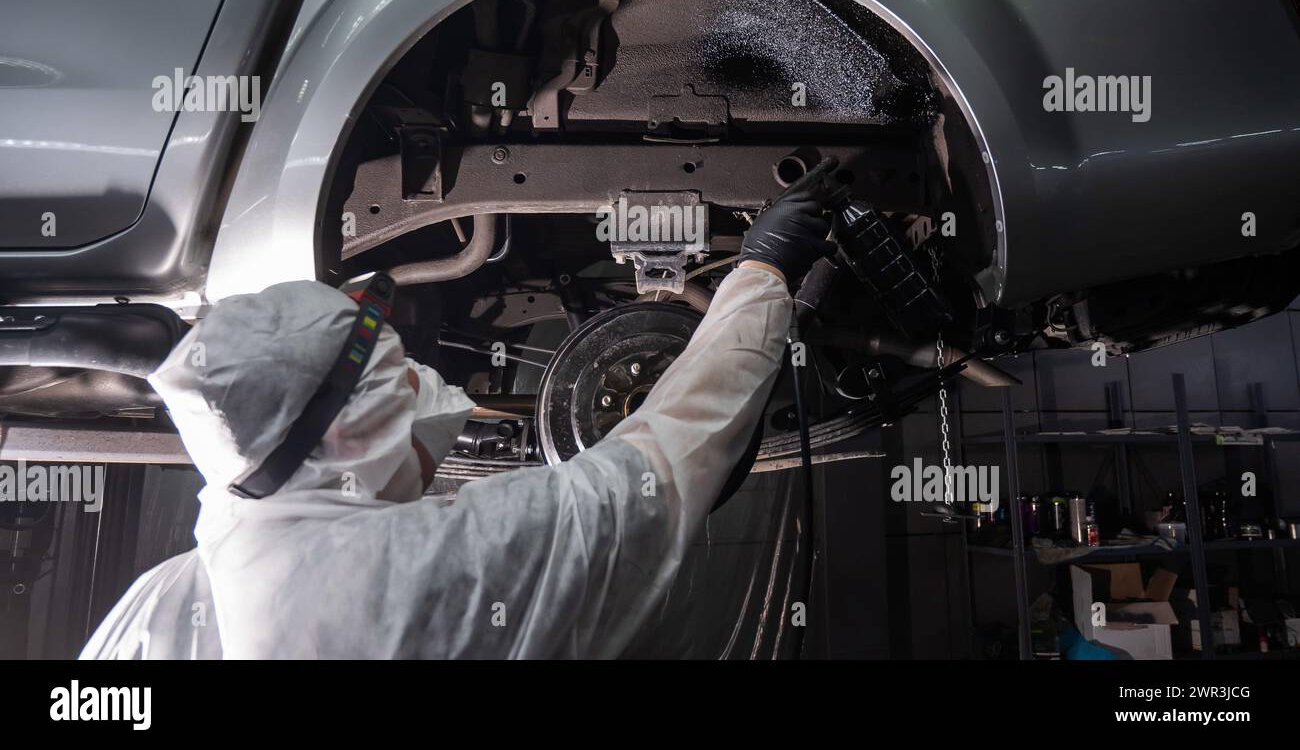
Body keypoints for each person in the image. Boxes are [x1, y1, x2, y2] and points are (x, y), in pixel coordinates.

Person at [82, 164, 835, 659]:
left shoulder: (196, 578)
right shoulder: (376, 587)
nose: (424, 391)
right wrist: (763, 272)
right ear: (340, 431)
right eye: (397, 383)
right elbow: (644, 480)